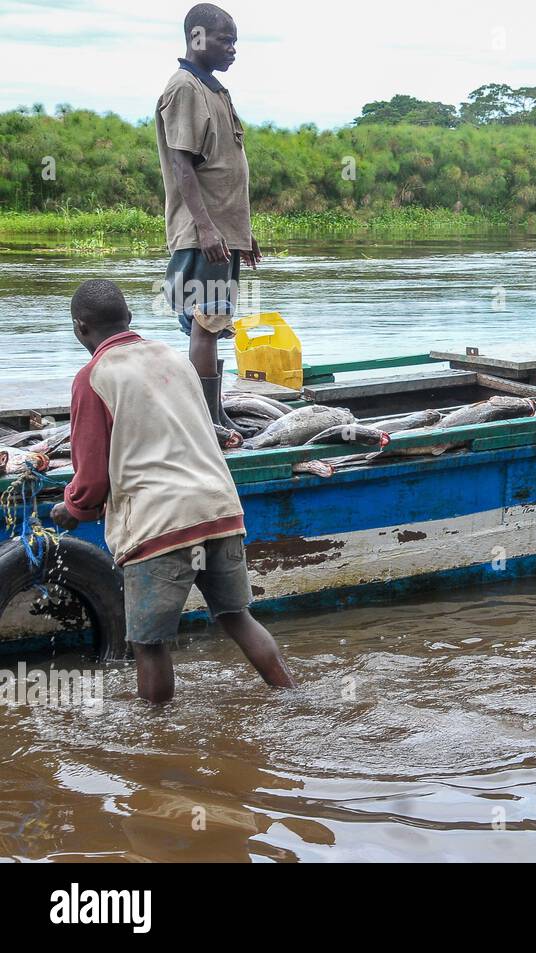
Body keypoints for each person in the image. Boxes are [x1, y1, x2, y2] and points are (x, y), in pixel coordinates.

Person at [49, 280, 295, 704]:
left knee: (149, 643)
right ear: (128, 319)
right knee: (238, 618)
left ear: (80, 329)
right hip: (219, 511)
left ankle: (156, 744)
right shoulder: (172, 357)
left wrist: (73, 509)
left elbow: (90, 480)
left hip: (159, 526)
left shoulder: (94, 378)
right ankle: (294, 697)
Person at [156, 3, 259, 431]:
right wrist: (206, 227)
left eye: (235, 41)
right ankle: (206, 422)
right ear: (196, 37)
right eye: (224, 40)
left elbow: (225, 168)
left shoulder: (215, 89)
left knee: (214, 323)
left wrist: (242, 234)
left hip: (221, 234)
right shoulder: (184, 88)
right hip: (203, 235)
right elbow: (183, 167)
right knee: (205, 320)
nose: (232, 49)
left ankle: (212, 413)